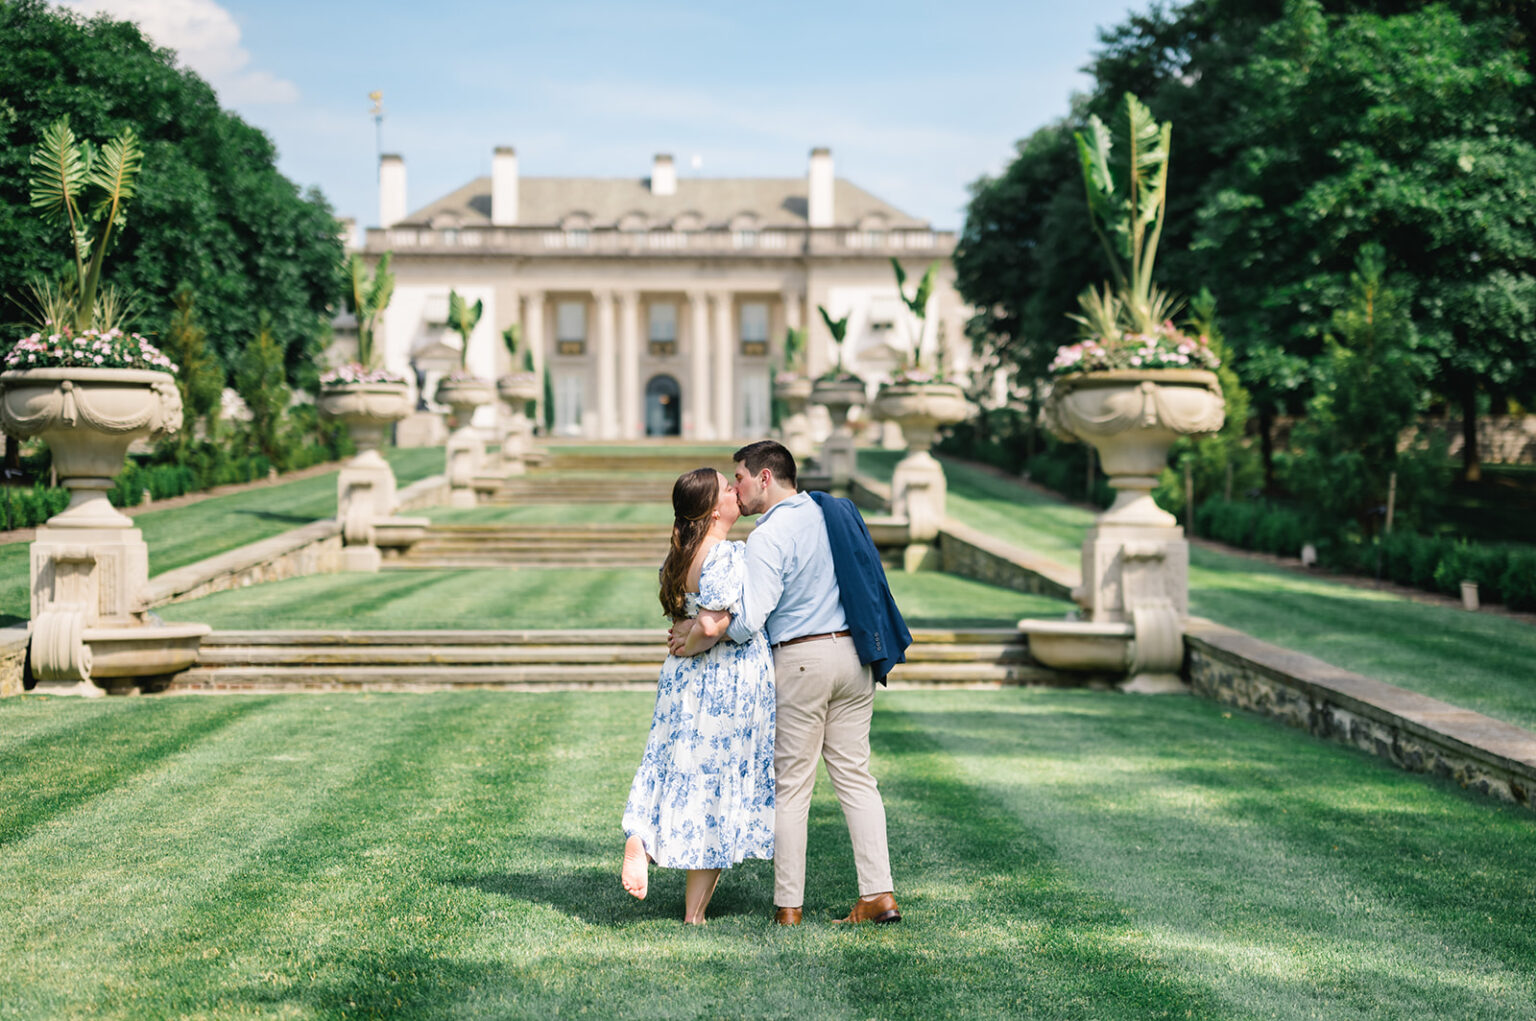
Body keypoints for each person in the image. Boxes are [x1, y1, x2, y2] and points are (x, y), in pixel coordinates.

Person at [669, 440, 908, 926]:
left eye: (739, 478)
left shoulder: (769, 535)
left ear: (764, 477)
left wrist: (696, 630)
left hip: (801, 661)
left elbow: (746, 622)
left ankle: (789, 907)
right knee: (857, 779)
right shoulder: (829, 514)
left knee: (793, 787)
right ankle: (878, 895)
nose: (736, 489)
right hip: (854, 657)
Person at [620, 467, 776, 924]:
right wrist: (694, 640)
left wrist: (686, 641)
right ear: (712, 511)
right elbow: (712, 624)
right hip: (722, 680)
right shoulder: (722, 554)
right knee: (715, 782)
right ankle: (694, 913)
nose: (735, 490)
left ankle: (642, 836)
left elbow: (690, 619)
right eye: (728, 487)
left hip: (683, 681)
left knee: (670, 762)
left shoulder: (680, 555)